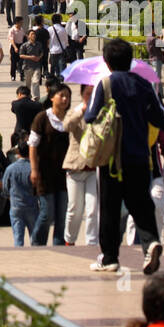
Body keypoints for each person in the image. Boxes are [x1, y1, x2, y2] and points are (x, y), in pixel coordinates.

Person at [85, 38, 164, 275]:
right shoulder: (144, 86)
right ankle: (150, 243)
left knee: (110, 209)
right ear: (130, 60)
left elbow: (90, 117)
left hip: (112, 160)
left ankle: (110, 258)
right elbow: (162, 118)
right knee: (140, 204)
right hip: (141, 157)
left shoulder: (105, 84)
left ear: (107, 61)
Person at [29, 84, 71, 245]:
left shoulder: (71, 118)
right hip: (44, 173)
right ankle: (37, 241)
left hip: (65, 174)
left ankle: (59, 244)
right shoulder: (42, 118)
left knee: (62, 214)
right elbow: (33, 145)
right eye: (62, 95)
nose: (65, 99)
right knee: (47, 213)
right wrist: (34, 169)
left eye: (67, 96)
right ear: (52, 97)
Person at [63, 84, 99, 246]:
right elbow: (67, 126)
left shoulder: (101, 112)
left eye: (93, 94)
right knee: (74, 210)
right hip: (75, 166)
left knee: (92, 209)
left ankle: (92, 243)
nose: (90, 97)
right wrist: (81, 112)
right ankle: (69, 240)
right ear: (82, 94)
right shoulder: (75, 111)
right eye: (87, 93)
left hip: (94, 167)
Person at [2, 137, 40, 247]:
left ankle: (19, 259)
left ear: (18, 152)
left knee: (18, 238)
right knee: (35, 237)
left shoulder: (10, 168)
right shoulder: (34, 169)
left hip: (16, 206)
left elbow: (5, 187)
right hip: (32, 205)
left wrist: (9, 197)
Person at [19, 27, 44, 102]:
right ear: (28, 36)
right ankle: (27, 96)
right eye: (32, 34)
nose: (34, 35)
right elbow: (21, 55)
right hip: (27, 67)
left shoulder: (39, 44)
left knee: (36, 81)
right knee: (28, 83)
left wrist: (39, 57)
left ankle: (36, 97)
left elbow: (42, 52)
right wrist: (30, 57)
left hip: (37, 66)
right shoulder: (24, 45)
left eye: (34, 34)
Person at [47, 14, 69, 79]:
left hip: (52, 51)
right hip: (61, 50)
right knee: (61, 67)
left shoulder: (49, 29)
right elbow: (66, 41)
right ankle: (61, 79)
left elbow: (48, 40)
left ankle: (53, 79)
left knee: (53, 67)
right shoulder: (63, 29)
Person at [8, 16, 25, 82]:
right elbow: (11, 40)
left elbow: (24, 35)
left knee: (21, 62)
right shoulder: (12, 30)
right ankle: (13, 75)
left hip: (21, 45)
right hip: (14, 46)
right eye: (21, 22)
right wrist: (15, 47)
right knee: (13, 62)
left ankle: (22, 75)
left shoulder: (21, 29)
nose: (22, 23)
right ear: (17, 23)